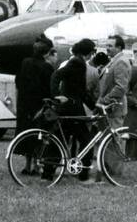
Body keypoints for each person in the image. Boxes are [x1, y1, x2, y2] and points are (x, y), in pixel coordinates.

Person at [52, 38, 98, 177]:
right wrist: (56, 95)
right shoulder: (78, 63)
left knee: (60, 139)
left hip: (67, 106)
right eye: (93, 51)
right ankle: (83, 174)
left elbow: (79, 90)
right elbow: (56, 76)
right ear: (89, 52)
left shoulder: (76, 61)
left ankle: (47, 174)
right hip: (73, 107)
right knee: (87, 141)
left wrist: (93, 106)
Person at [14, 35, 56, 175]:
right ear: (47, 52)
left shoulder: (24, 62)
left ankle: (27, 165)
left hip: (24, 105)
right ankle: (37, 165)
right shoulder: (47, 67)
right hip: (39, 106)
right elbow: (49, 89)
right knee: (40, 135)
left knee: (26, 135)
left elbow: (18, 83)